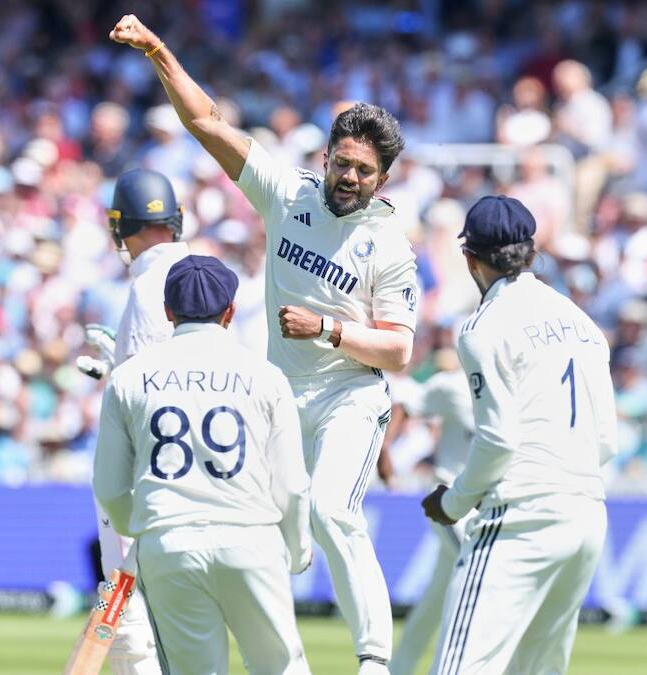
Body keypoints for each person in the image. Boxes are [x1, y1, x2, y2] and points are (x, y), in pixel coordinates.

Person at [110, 15, 419, 673]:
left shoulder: (389, 249)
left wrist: (330, 329)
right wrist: (160, 50)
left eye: (364, 171)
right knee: (256, 535)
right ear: (326, 156)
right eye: (342, 163)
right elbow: (208, 125)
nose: (349, 178)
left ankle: (372, 660)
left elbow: (398, 351)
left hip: (349, 396)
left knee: (334, 512)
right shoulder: (287, 196)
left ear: (383, 179)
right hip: (280, 400)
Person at [421, 196, 618, 674]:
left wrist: (453, 504)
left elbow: (499, 440)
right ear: (531, 253)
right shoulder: (583, 322)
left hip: (521, 517)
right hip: (586, 515)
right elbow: (607, 440)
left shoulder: (482, 328)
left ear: (470, 258)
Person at [93, 255, 313, 675]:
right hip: (250, 539)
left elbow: (109, 488)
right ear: (230, 311)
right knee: (282, 669)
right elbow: (292, 484)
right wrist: (298, 549)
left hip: (170, 544)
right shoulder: (266, 376)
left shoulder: (128, 378)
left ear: (168, 311)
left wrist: (142, 529)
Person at [80, 167, 189, 675]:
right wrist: (114, 367)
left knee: (125, 611)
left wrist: (117, 378)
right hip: (200, 468)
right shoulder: (197, 270)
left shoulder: (148, 286)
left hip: (143, 473)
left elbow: (150, 393)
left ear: (119, 227)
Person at [387, 347, 477, 675]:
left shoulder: (512, 387)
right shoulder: (451, 385)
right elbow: (407, 405)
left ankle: (396, 670)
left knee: (434, 602)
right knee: (475, 577)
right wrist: (385, 452)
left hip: (482, 510)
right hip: (447, 502)